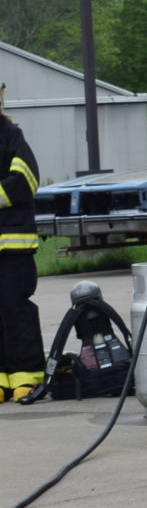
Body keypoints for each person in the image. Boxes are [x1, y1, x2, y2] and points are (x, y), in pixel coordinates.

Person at [0, 98, 46, 402]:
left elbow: (26, 179)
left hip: (12, 245)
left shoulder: (9, 135)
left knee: (14, 309)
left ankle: (27, 377)